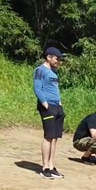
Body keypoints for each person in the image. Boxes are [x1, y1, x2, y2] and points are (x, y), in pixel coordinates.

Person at [33, 47, 65, 179]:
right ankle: (45, 167)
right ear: (49, 57)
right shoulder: (40, 70)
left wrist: (60, 104)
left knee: (55, 137)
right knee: (48, 136)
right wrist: (45, 104)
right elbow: (37, 88)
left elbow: (55, 90)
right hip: (48, 107)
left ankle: (51, 166)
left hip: (57, 106)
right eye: (57, 58)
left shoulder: (54, 72)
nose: (58, 61)